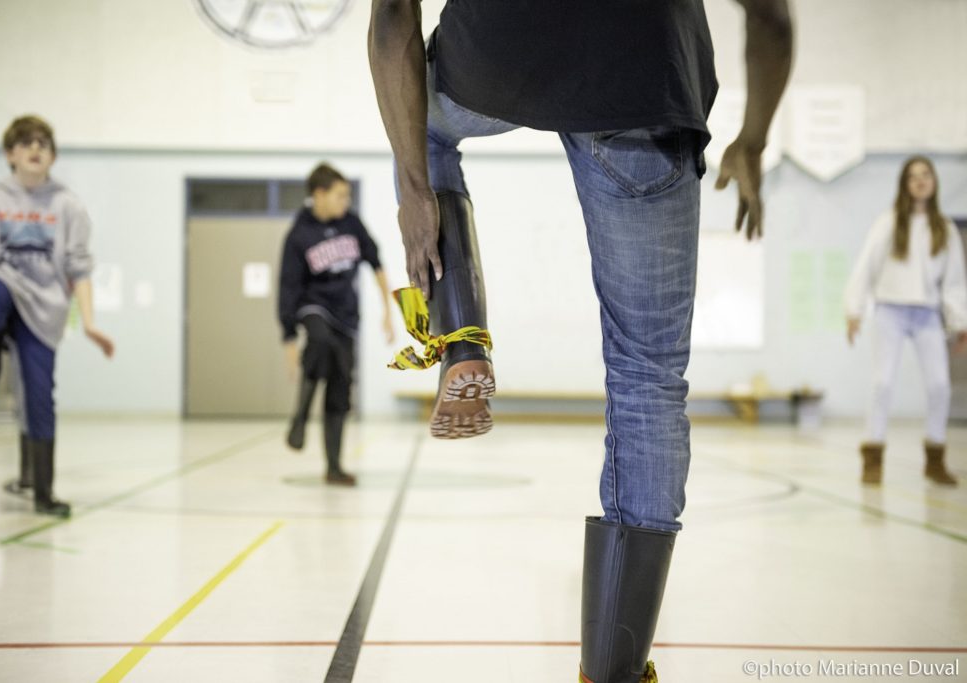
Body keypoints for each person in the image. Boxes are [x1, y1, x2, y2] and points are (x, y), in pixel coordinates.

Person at [368, 2, 792, 681]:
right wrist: (754, 137)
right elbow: (771, 18)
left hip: (499, 55)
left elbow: (394, 14)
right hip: (646, 79)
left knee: (416, 120)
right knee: (648, 378)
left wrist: (415, 187)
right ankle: (613, 669)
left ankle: (463, 335)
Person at [0, 114, 115, 517]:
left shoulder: (68, 206)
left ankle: (42, 492)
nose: (35, 148)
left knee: (39, 396)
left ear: (53, 155)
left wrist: (91, 322)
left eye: (43, 143)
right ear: (10, 153)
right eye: (26, 142)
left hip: (43, 308)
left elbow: (80, 268)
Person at [845, 156, 966, 487]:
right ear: (905, 184)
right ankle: (873, 457)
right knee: (882, 384)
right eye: (913, 176)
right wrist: (854, 310)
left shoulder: (945, 228)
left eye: (926, 175)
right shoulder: (888, 222)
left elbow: (954, 281)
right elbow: (865, 267)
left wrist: (960, 320)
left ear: (934, 181)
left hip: (927, 314)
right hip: (890, 312)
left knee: (940, 385)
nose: (920, 181)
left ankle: (935, 458)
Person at [278, 163, 395, 486]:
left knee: (341, 388)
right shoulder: (299, 234)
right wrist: (289, 340)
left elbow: (376, 262)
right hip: (313, 307)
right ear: (319, 194)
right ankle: (300, 416)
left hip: (347, 316)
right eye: (340, 195)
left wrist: (388, 310)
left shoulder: (351, 223)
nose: (346, 201)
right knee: (320, 341)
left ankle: (334, 467)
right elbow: (287, 289)